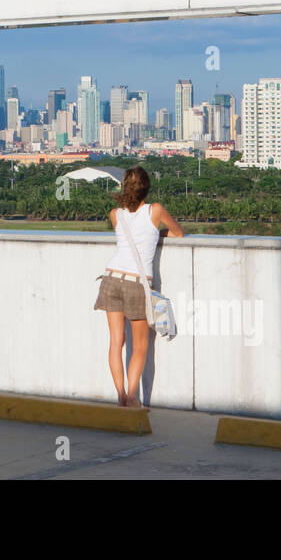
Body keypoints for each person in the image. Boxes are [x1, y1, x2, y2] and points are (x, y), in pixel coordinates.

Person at [92, 166, 184, 408]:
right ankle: (132, 397)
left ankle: (120, 395)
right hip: (136, 282)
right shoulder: (156, 211)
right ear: (147, 187)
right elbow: (177, 233)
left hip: (111, 278)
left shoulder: (116, 214)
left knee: (116, 342)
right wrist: (157, 233)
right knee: (140, 345)